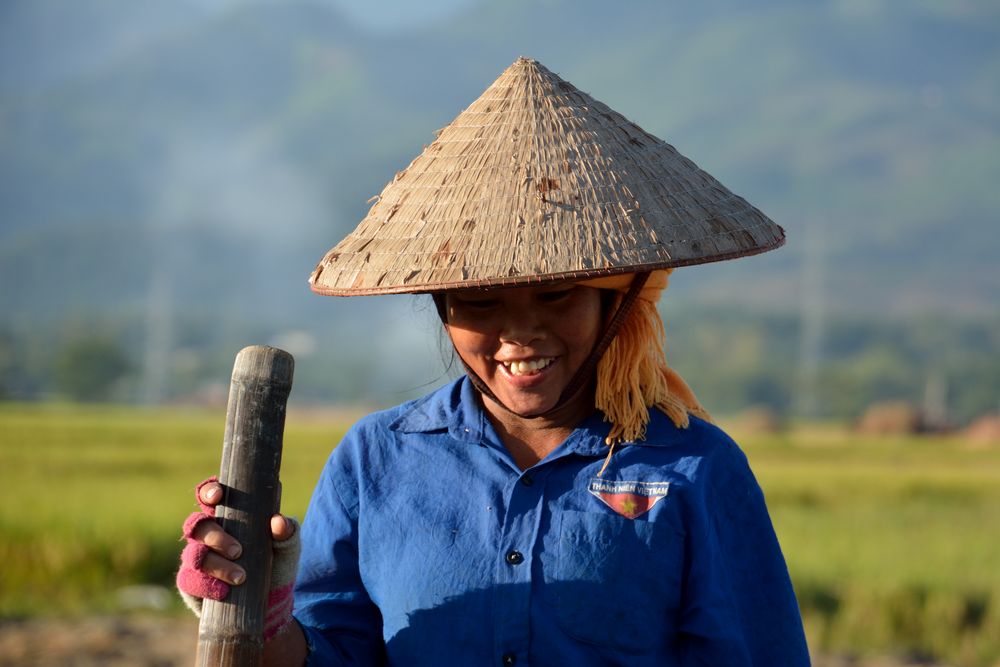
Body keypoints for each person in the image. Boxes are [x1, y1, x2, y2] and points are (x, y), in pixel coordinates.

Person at [177, 57, 811, 666]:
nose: (519, 334)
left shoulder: (693, 467)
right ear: (443, 307)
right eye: (480, 302)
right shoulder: (375, 460)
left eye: (556, 295)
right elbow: (329, 655)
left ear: (615, 303)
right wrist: (257, 610)